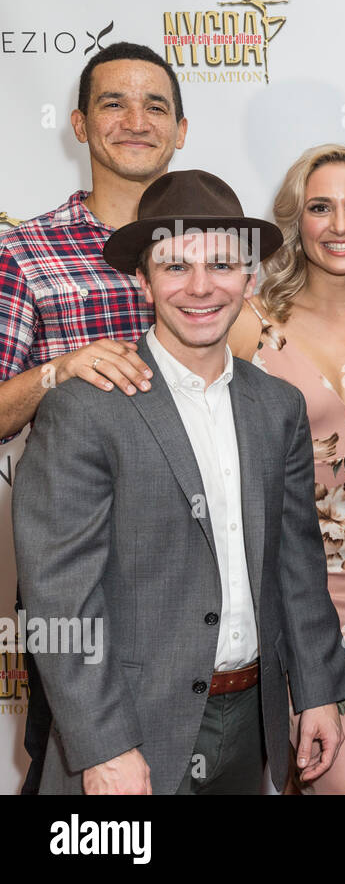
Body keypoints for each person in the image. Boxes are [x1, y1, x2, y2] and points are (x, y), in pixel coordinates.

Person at [13, 169, 345, 794]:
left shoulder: (278, 406)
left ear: (249, 278)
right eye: (175, 267)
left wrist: (317, 691)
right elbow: (61, 599)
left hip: (250, 721)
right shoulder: (85, 407)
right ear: (142, 279)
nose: (201, 288)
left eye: (222, 265)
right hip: (131, 728)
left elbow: (298, 569)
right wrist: (104, 743)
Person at [0, 40, 184, 794]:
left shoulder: (213, 248)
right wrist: (57, 372)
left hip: (203, 579)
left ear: (181, 129)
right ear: (78, 123)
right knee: (88, 798)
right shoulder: (24, 251)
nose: (135, 120)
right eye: (113, 102)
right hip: (81, 584)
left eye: (155, 106)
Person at [228, 143, 345, 794]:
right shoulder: (250, 323)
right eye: (320, 207)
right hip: (295, 591)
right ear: (295, 221)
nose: (340, 225)